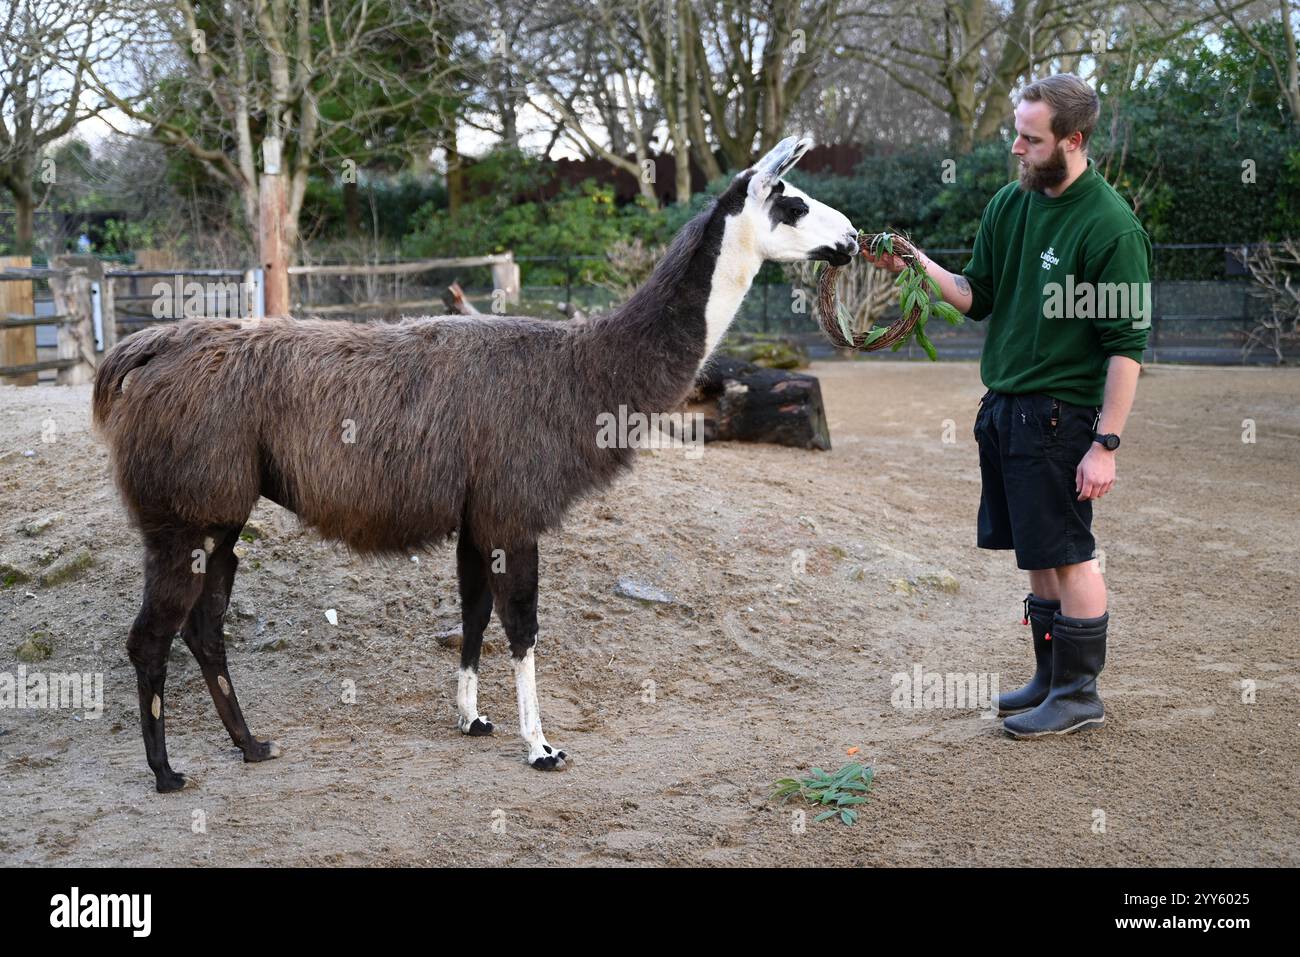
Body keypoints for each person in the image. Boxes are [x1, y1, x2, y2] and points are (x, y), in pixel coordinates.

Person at [865, 73, 1150, 737]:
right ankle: (1050, 678)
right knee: (1037, 554)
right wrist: (914, 261)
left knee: (1072, 553)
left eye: (1030, 138)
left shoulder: (1111, 227)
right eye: (1015, 135)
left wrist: (1105, 444)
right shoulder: (1009, 203)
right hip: (1007, 409)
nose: (1017, 149)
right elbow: (976, 294)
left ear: (1072, 141)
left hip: (1062, 417)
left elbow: (1126, 347)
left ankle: (1080, 694)